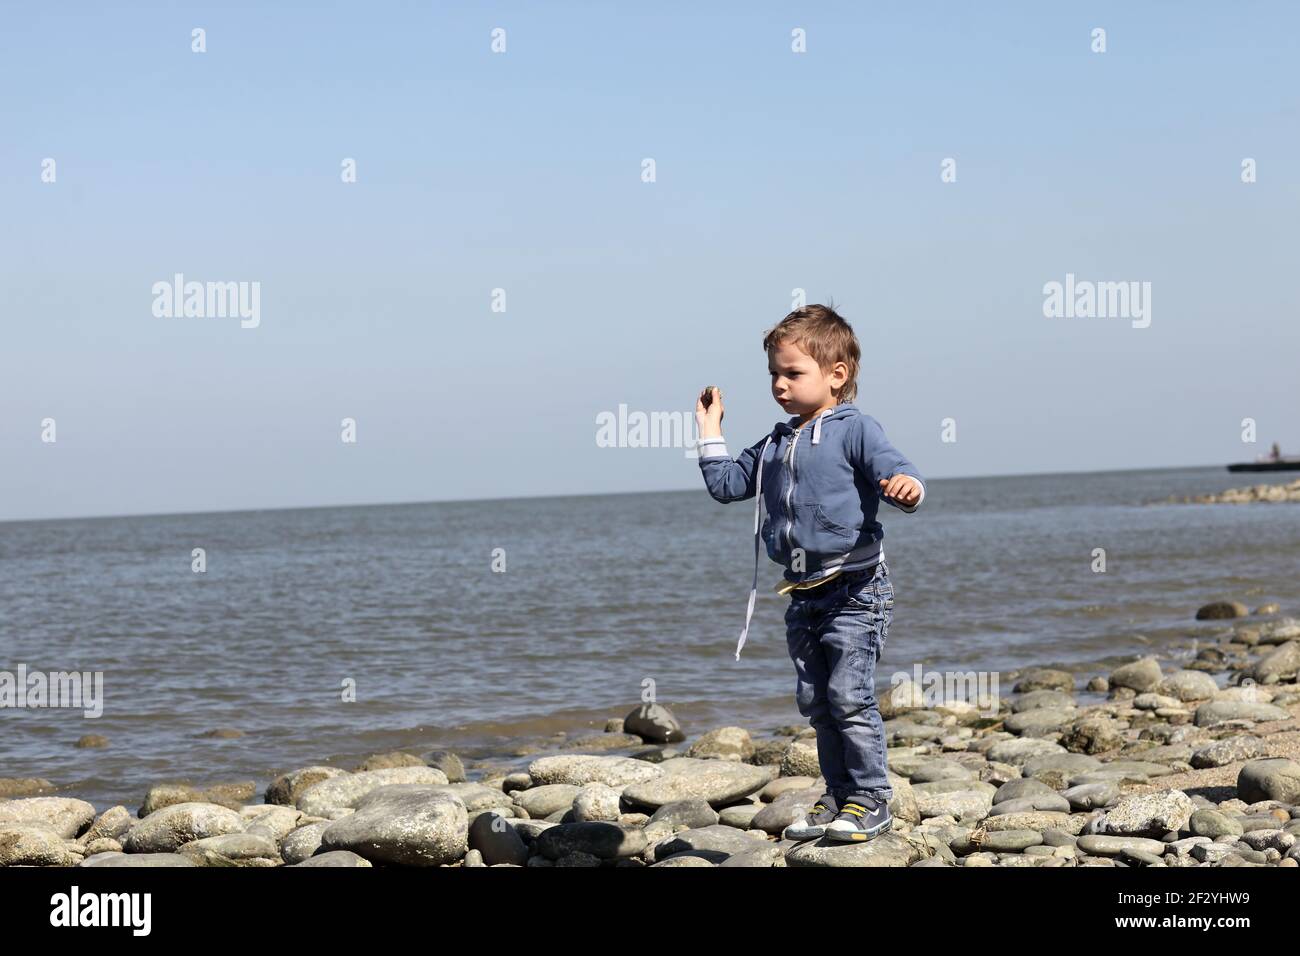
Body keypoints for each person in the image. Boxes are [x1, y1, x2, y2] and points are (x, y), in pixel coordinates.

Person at [694, 303, 925, 843]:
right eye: (774, 373)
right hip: (802, 595)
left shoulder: (856, 430)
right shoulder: (775, 443)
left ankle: (871, 800)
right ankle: (839, 796)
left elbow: (901, 472)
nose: (779, 384)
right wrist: (709, 432)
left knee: (850, 697)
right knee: (819, 704)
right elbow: (727, 485)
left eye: (792, 373)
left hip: (856, 590)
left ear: (836, 375)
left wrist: (908, 488)